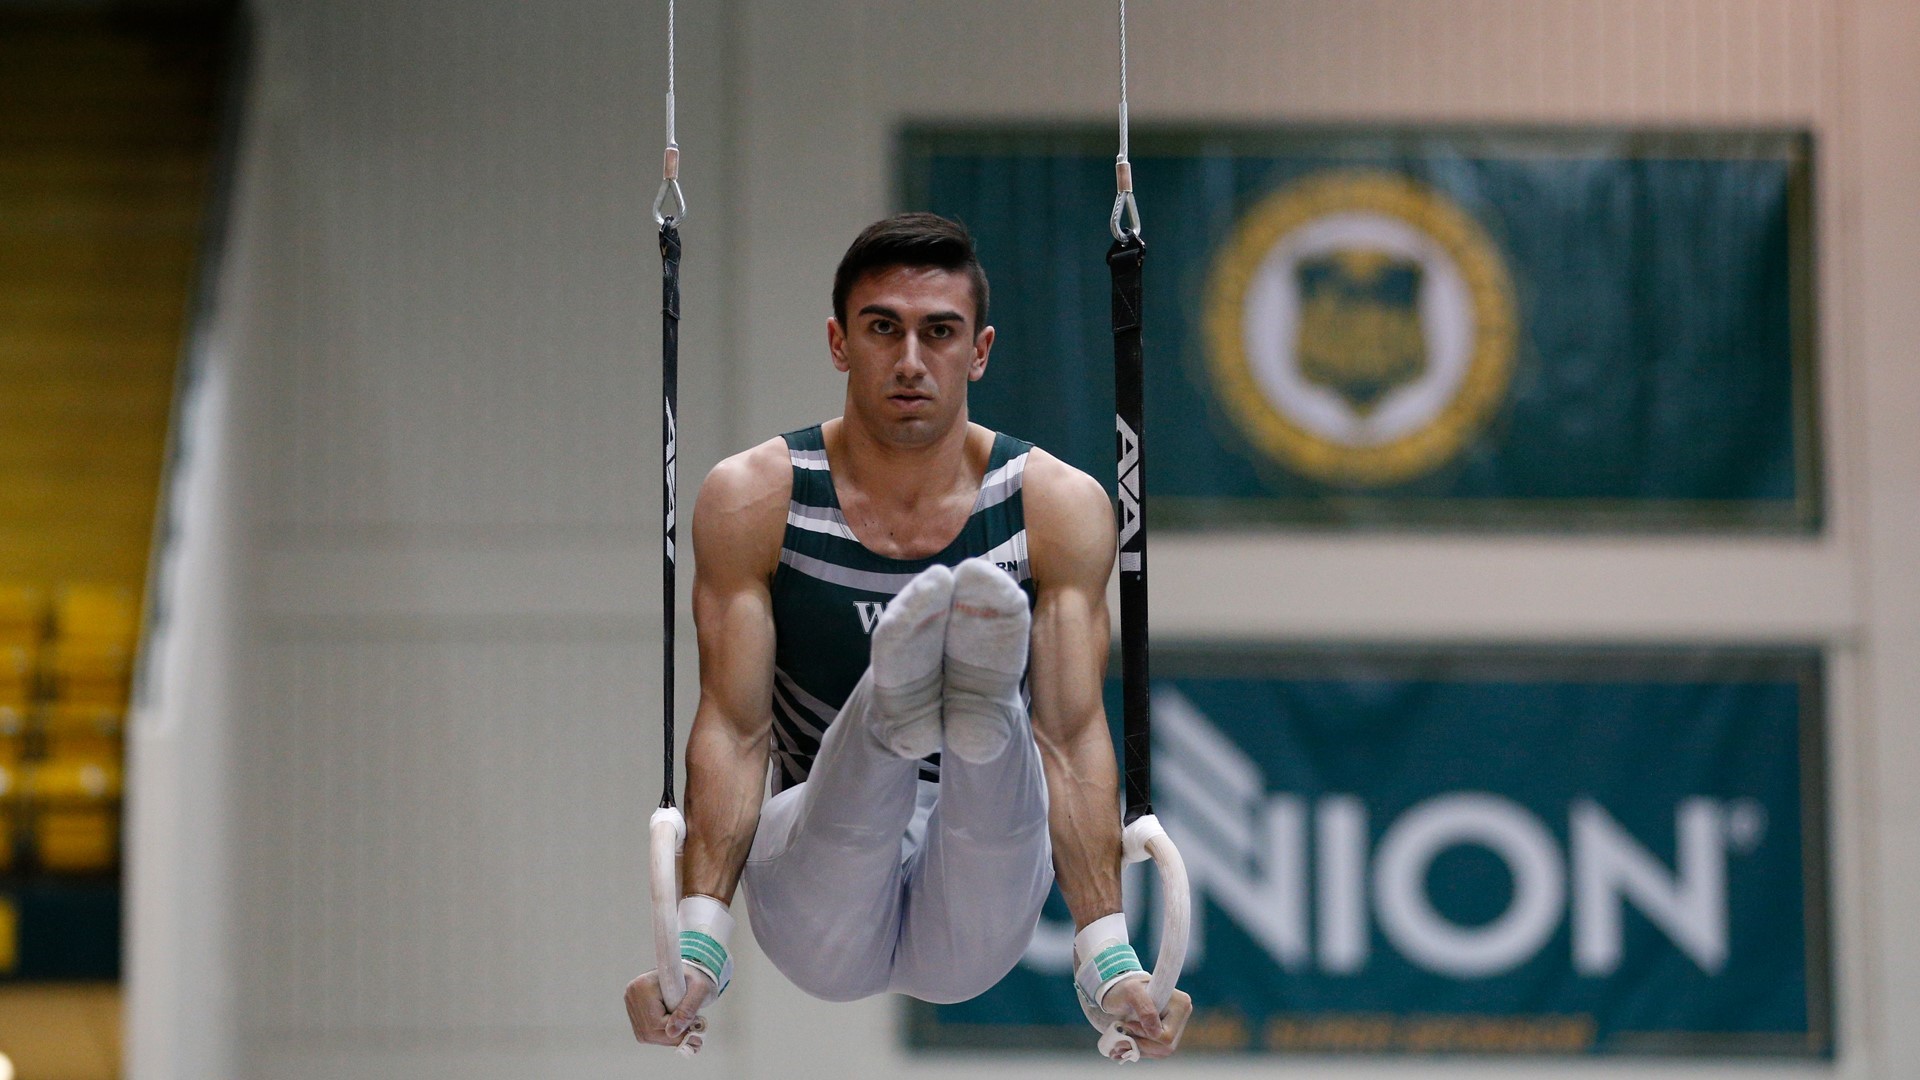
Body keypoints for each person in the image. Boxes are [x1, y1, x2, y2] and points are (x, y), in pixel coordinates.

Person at [624, 212, 1192, 1059]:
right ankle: (901, 706)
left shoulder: (1055, 507)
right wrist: (696, 938)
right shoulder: (757, 498)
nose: (912, 360)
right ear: (839, 342)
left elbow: (1070, 741)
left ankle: (969, 701)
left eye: (940, 332)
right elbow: (737, 733)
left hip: (976, 897)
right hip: (816, 853)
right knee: (846, 815)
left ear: (981, 349)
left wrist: (1113, 965)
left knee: (1000, 804)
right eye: (883, 328)